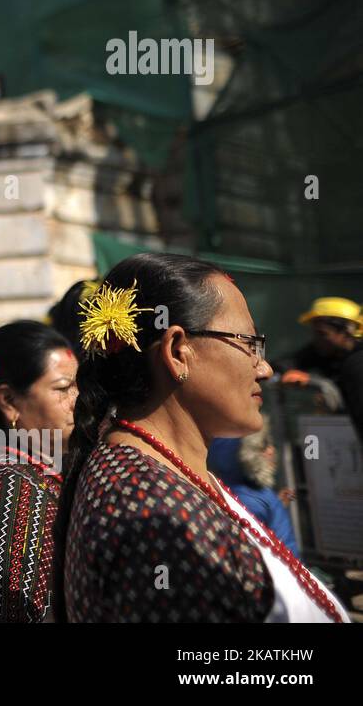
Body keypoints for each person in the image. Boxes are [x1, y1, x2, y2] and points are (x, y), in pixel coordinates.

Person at [53, 253, 348, 623]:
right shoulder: (153, 513)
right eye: (249, 342)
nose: (265, 368)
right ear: (178, 352)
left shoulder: (155, 477)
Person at [0, 321, 76, 623]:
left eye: (78, 385)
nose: (76, 400)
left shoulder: (42, 471)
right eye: (63, 388)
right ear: (9, 401)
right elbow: (17, 609)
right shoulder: (9, 486)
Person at [274, 296, 363, 444]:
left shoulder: (358, 361)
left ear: (347, 331)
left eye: (322, 334)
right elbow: (283, 364)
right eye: (314, 333)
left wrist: (321, 385)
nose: (316, 339)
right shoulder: (322, 351)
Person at [208, 419, 300, 558]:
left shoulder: (219, 490)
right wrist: (274, 508)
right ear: (245, 455)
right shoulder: (261, 498)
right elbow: (287, 554)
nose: (271, 450)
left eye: (270, 444)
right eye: (263, 446)